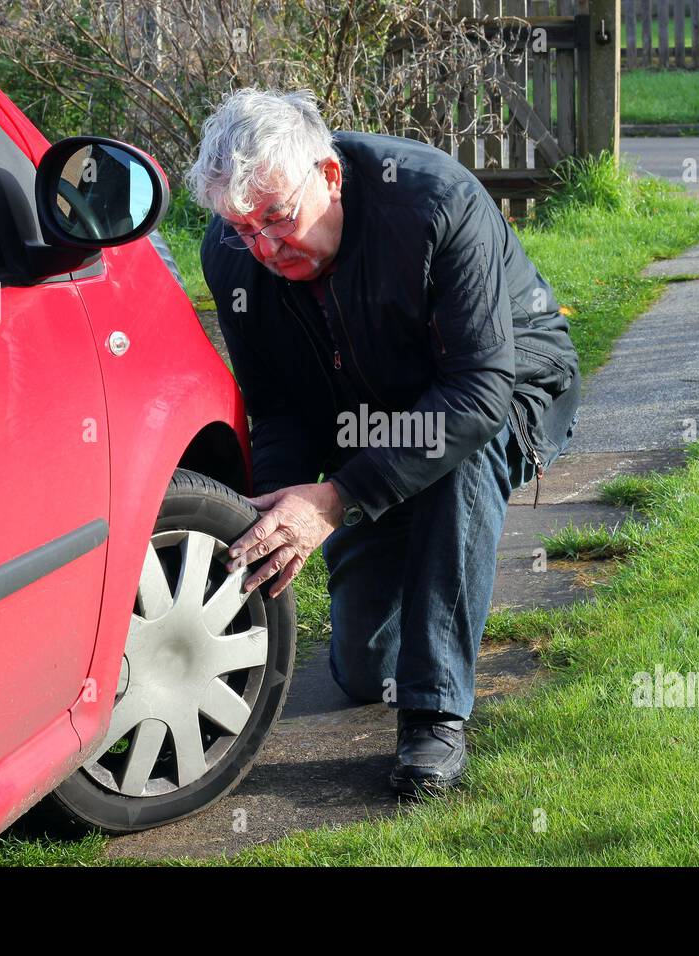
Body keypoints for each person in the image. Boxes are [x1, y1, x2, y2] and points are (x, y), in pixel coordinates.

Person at [184, 87, 579, 795]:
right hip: (366, 415)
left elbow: (478, 392)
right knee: (366, 672)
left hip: (503, 382)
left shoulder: (432, 202)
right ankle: (425, 587)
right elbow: (275, 409)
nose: (265, 247)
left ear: (329, 177)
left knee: (460, 459)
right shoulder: (231, 252)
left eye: (278, 218)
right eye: (243, 228)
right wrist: (278, 517)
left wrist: (336, 500)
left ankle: (435, 719)